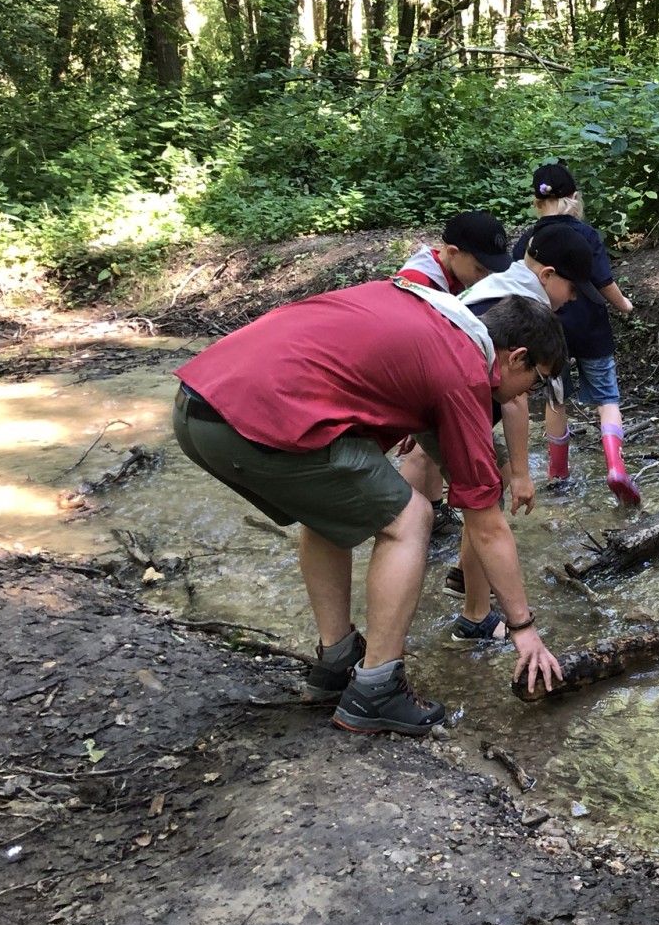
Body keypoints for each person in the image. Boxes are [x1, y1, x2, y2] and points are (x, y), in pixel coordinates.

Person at [172, 282, 569, 734]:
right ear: (516, 357)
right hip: (250, 421)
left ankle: (336, 662)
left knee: (328, 511)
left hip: (197, 407)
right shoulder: (462, 370)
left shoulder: (430, 312)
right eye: (535, 382)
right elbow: (487, 525)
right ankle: (377, 688)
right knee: (411, 518)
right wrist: (524, 628)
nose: (528, 395)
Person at [440, 220, 607, 642]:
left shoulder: (501, 285)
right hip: (456, 405)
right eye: (571, 290)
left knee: (473, 495)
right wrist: (521, 472)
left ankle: (464, 579)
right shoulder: (520, 303)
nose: (571, 300)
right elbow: (513, 398)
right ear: (548, 275)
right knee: (486, 496)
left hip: (446, 401)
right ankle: (475, 617)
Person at [512, 162, 641, 506]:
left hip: (549, 329)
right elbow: (604, 282)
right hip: (591, 327)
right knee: (607, 397)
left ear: (536, 202)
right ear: (574, 198)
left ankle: (558, 473)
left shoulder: (528, 240)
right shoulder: (586, 235)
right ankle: (615, 467)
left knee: (556, 398)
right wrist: (625, 306)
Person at [393, 211, 514, 537]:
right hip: (424, 395)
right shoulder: (418, 286)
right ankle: (465, 570)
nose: (485, 275)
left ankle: (424, 519)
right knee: (491, 484)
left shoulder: (440, 273)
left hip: (419, 396)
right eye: (480, 268)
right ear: (451, 252)